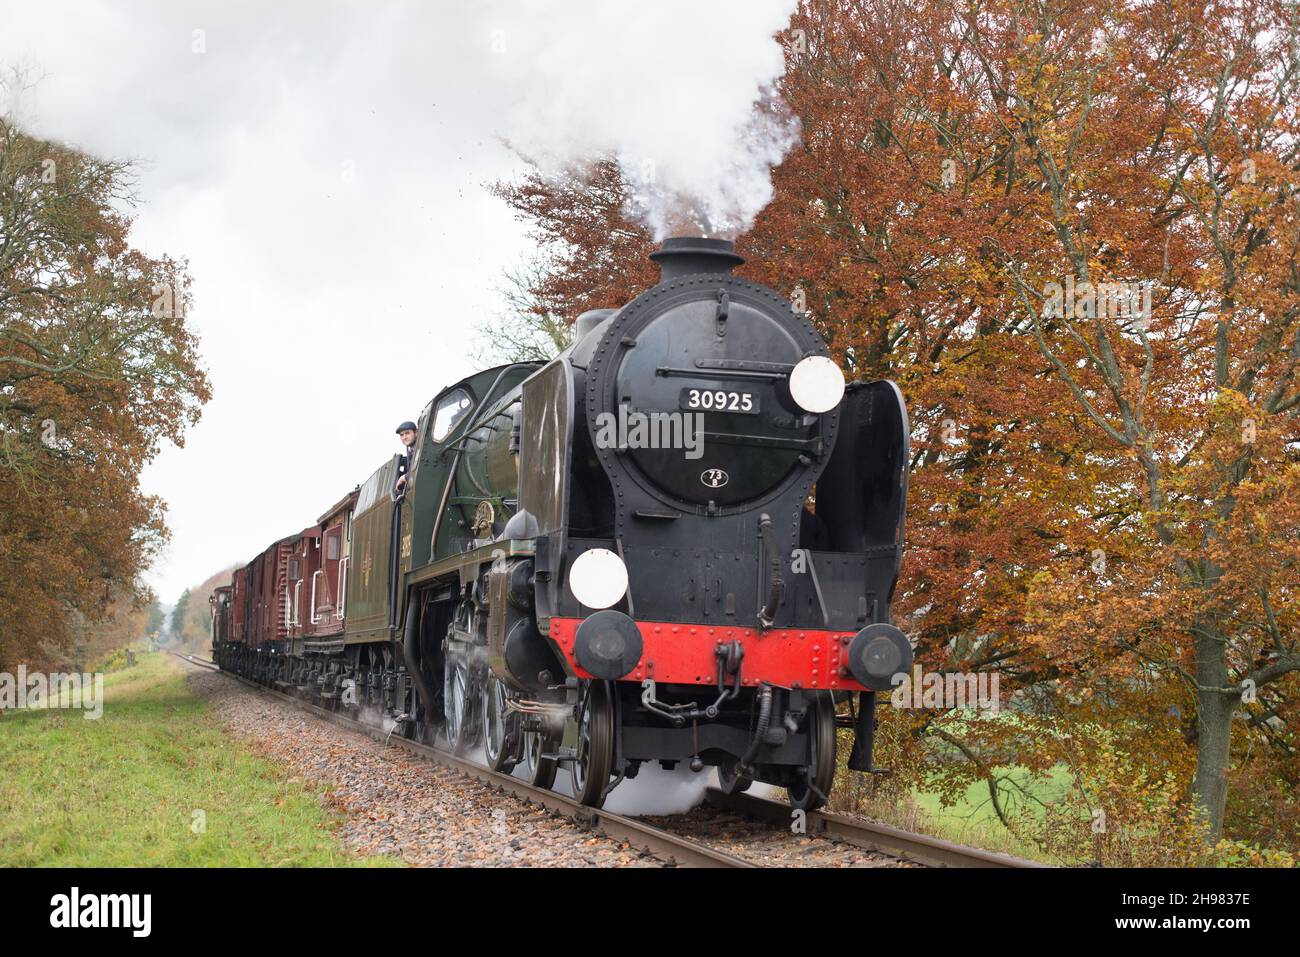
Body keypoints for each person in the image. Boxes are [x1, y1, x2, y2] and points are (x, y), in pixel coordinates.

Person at [394, 420, 417, 495]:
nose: (404, 437)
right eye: (401, 435)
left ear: (416, 433)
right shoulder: (410, 452)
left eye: (407, 433)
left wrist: (403, 478)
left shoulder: (422, 449)